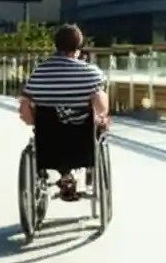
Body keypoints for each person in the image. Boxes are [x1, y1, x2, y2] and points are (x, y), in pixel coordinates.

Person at [18, 24, 109, 201]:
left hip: (48, 138)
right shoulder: (91, 73)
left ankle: (64, 174)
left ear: (56, 45)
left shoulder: (39, 73)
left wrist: (34, 122)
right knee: (100, 107)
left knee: (35, 113)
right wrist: (102, 118)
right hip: (82, 139)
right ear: (79, 48)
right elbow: (100, 103)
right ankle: (85, 171)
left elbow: (25, 107)